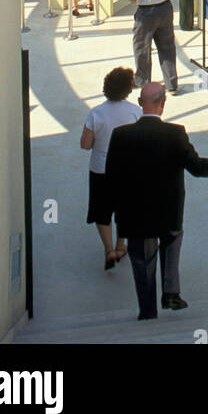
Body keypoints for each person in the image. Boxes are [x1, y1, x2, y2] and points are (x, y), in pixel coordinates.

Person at [105, 82, 208, 320]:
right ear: (163, 103)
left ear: (139, 103)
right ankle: (170, 294)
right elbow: (198, 168)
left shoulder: (120, 136)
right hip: (168, 212)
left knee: (143, 262)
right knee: (171, 247)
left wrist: (115, 214)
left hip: (135, 217)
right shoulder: (175, 134)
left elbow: (112, 179)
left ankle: (147, 312)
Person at [80, 66, 141, 270]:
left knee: (101, 211)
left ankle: (109, 250)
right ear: (128, 89)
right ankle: (121, 245)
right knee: (125, 209)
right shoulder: (135, 112)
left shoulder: (96, 113)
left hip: (100, 169)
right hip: (127, 170)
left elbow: (86, 144)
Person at [127, 0, 179, 93]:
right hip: (165, 8)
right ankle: (171, 84)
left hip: (146, 12)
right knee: (167, 47)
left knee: (142, 47)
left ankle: (142, 81)